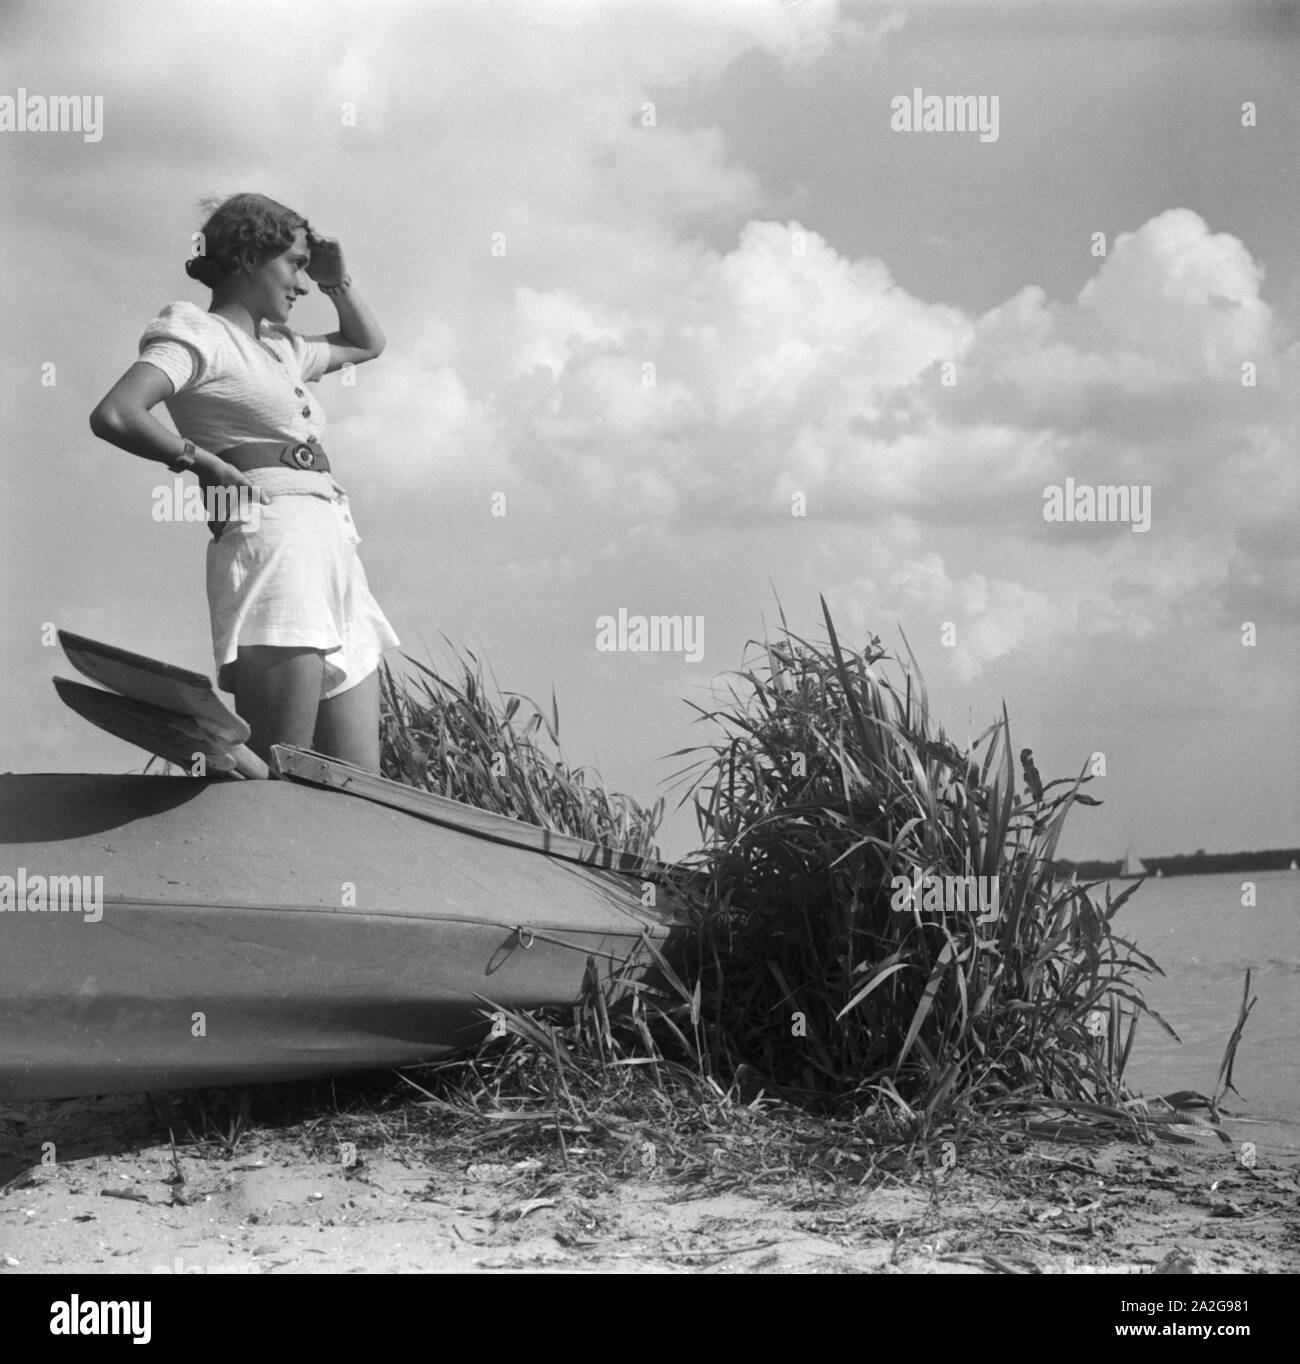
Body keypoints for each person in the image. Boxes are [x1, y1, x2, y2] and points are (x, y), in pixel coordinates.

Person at [89, 192, 398, 773]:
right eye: (296, 265)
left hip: (333, 548)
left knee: (359, 787)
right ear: (250, 257)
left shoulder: (282, 348)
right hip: (273, 541)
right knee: (283, 766)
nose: (303, 285)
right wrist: (198, 461)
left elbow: (367, 343)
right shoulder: (197, 332)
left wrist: (338, 280)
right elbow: (117, 413)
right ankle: (225, 760)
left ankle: (222, 754)